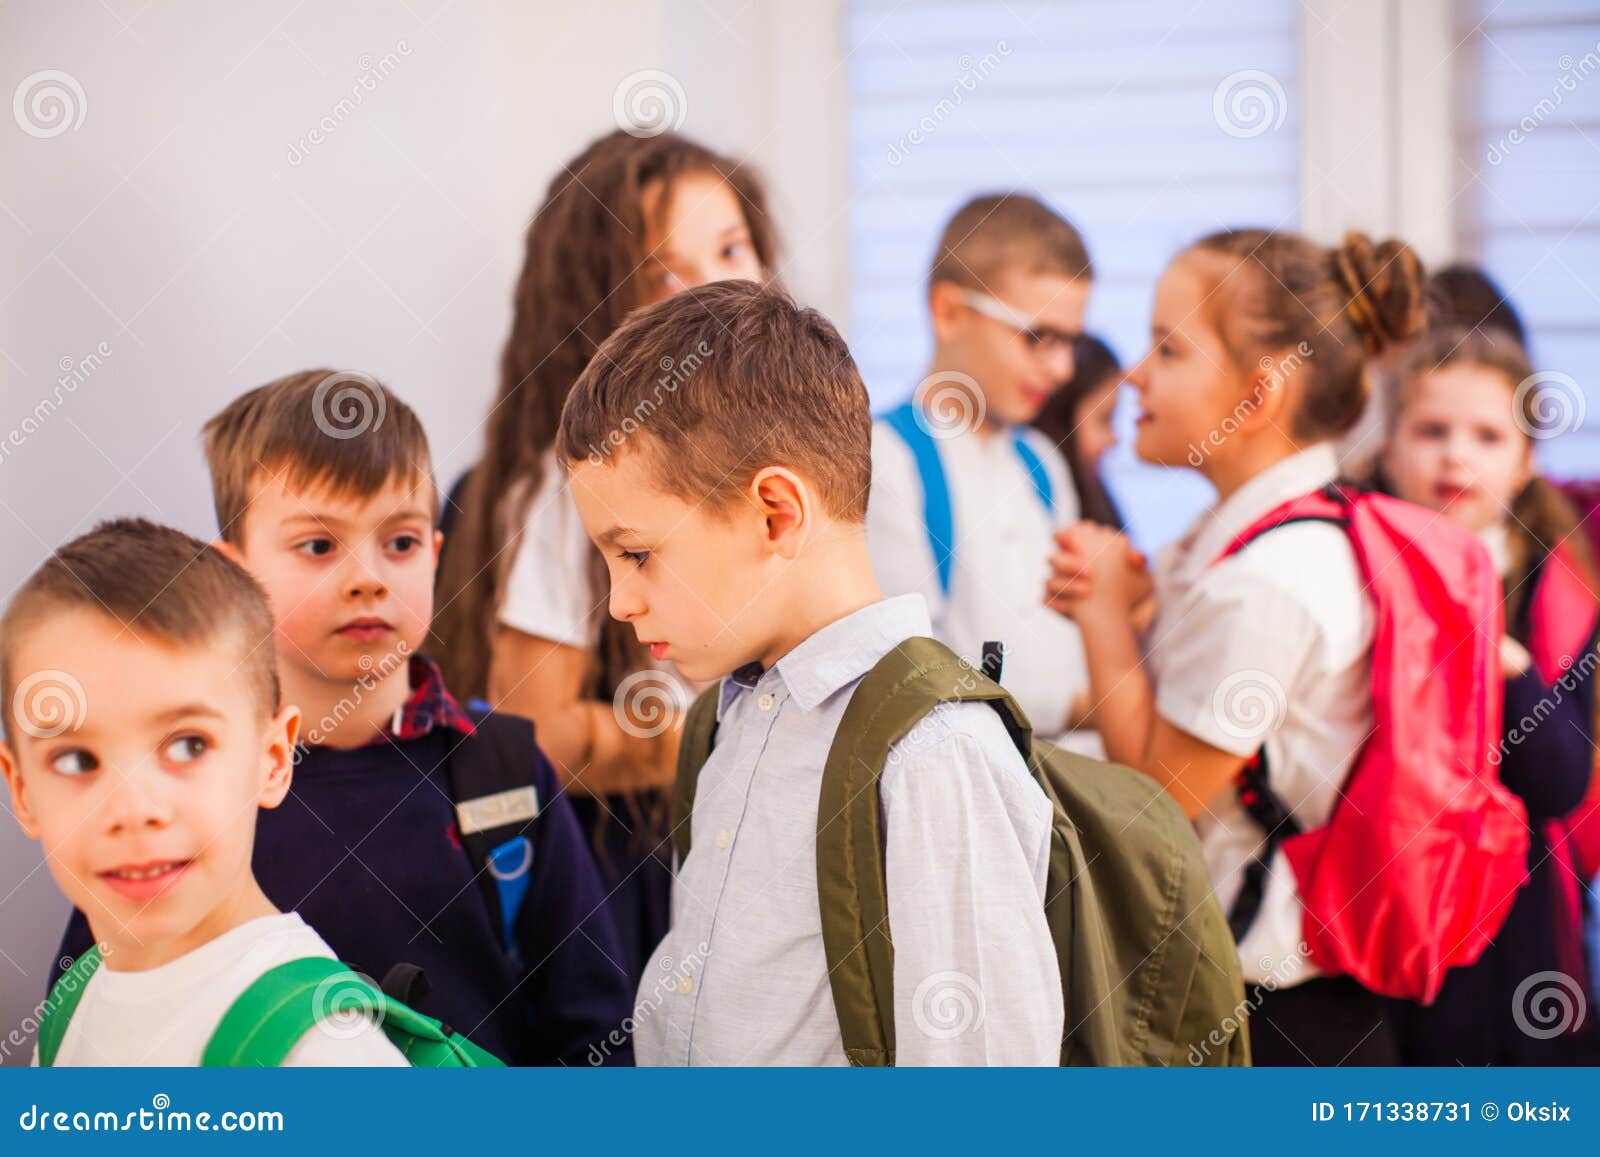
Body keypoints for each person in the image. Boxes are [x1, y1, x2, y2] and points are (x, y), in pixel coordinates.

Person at [54, 369, 633, 1066]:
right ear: (232, 576)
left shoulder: (503, 768)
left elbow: (597, 1032)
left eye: (401, 542)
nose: (369, 577)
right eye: (320, 546)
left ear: (436, 556)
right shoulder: (182, 792)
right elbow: (95, 1020)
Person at [556, 281, 1063, 1065]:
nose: (619, 602)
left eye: (638, 554)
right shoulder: (720, 721)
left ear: (776, 514)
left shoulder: (935, 753)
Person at [1045, 230, 1429, 1065]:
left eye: (1168, 347)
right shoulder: (1272, 534)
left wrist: (1107, 616)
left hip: (1284, 1024)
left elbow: (1153, 806)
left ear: (1256, 397)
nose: (1135, 374)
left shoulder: (1269, 580)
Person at [431, 130, 779, 981]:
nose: (719, 286)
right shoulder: (564, 493)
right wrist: (728, 728)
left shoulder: (769, 462)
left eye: (733, 248)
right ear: (597, 303)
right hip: (630, 887)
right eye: (665, 270)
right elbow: (542, 732)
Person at [2, 518, 405, 1066]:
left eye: (188, 745)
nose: (133, 810)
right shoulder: (75, 999)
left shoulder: (326, 1057)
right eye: (77, 760)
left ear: (272, 760)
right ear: (22, 790)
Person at [1380, 326, 1600, 1064]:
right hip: (1378, 896)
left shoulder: (1560, 594)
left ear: (1525, 461)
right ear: (1389, 446)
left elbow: (1561, 780)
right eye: (1431, 430)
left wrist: (1501, 658)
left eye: (1486, 435)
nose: (1456, 455)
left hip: (1513, 916)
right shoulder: (1350, 561)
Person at [868, 193, 1094, 738]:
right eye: (1039, 337)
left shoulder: (1041, 462)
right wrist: (1094, 705)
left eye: (1071, 343)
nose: (1063, 368)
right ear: (949, 312)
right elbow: (915, 674)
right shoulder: (884, 461)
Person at [1030, 332, 1126, 530]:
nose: (1114, 439)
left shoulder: (1097, 503)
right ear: (1060, 419)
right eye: (1104, 419)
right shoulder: (1035, 498)